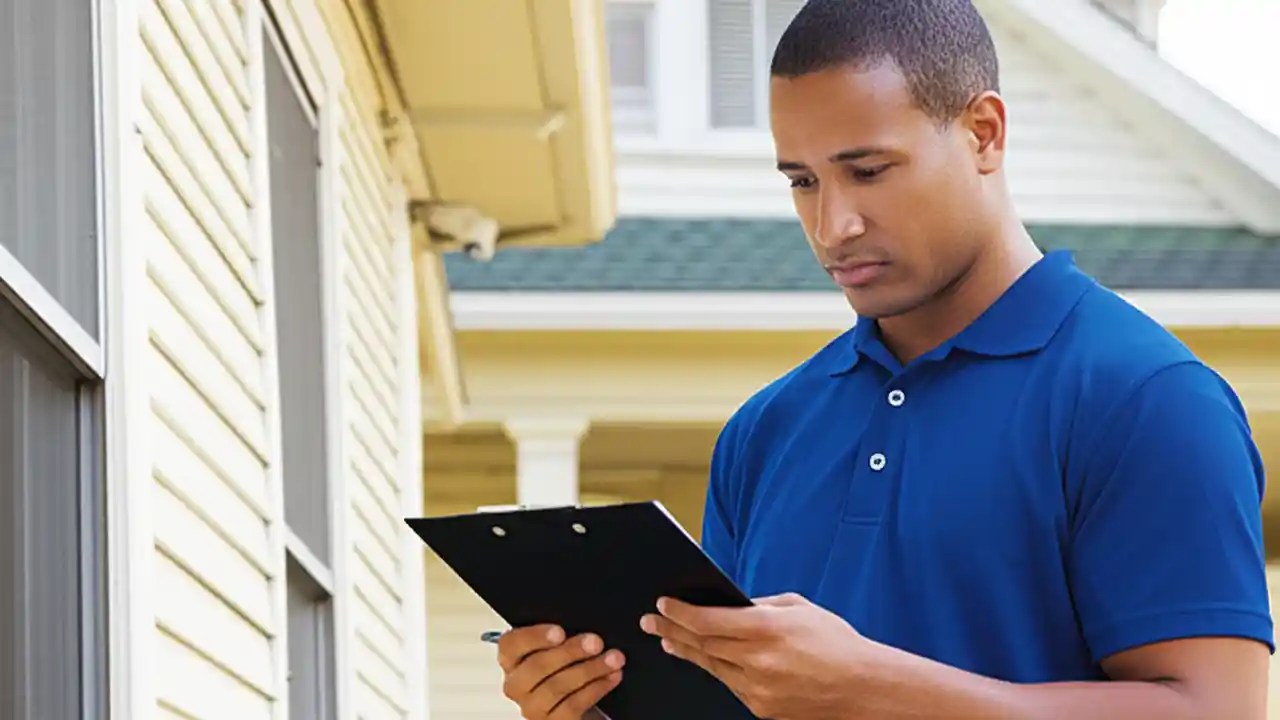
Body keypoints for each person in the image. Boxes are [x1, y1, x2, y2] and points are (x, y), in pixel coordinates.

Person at [492, 0, 1275, 717]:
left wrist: (872, 687)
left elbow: (1215, 711)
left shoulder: (1146, 399)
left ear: (984, 134)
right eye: (803, 181)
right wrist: (594, 706)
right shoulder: (765, 433)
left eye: (868, 171)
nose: (832, 226)